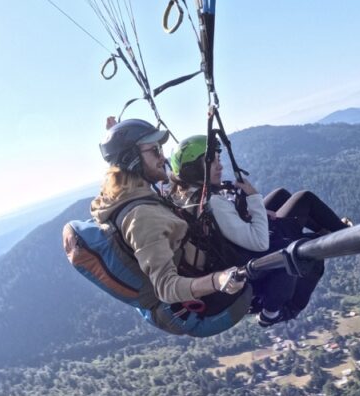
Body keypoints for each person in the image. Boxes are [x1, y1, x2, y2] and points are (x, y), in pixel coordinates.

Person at [91, 118, 253, 332]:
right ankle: (276, 310)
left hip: (199, 273)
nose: (162, 157)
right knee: (278, 245)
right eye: (155, 150)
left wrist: (115, 133)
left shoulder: (125, 193)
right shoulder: (142, 218)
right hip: (209, 305)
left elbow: (123, 165)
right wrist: (218, 280)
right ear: (131, 160)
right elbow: (166, 287)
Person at [168, 134, 349, 325]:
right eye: (212, 162)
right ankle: (345, 234)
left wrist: (252, 211)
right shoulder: (212, 202)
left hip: (233, 249)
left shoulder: (191, 197)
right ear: (195, 170)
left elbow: (227, 224)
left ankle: (328, 229)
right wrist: (253, 197)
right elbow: (259, 242)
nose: (220, 166)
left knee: (281, 195)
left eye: (218, 159)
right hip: (250, 258)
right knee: (305, 200)